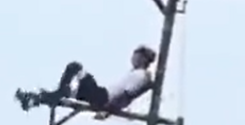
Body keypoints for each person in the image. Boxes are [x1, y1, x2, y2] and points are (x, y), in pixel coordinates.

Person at [14, 45, 157, 113]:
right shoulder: (135, 73)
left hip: (103, 97)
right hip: (101, 96)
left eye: (136, 56)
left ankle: (52, 94)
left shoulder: (141, 75)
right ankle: (33, 99)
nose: (133, 59)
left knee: (75, 66)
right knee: (65, 93)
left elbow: (127, 95)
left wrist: (109, 108)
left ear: (142, 58)